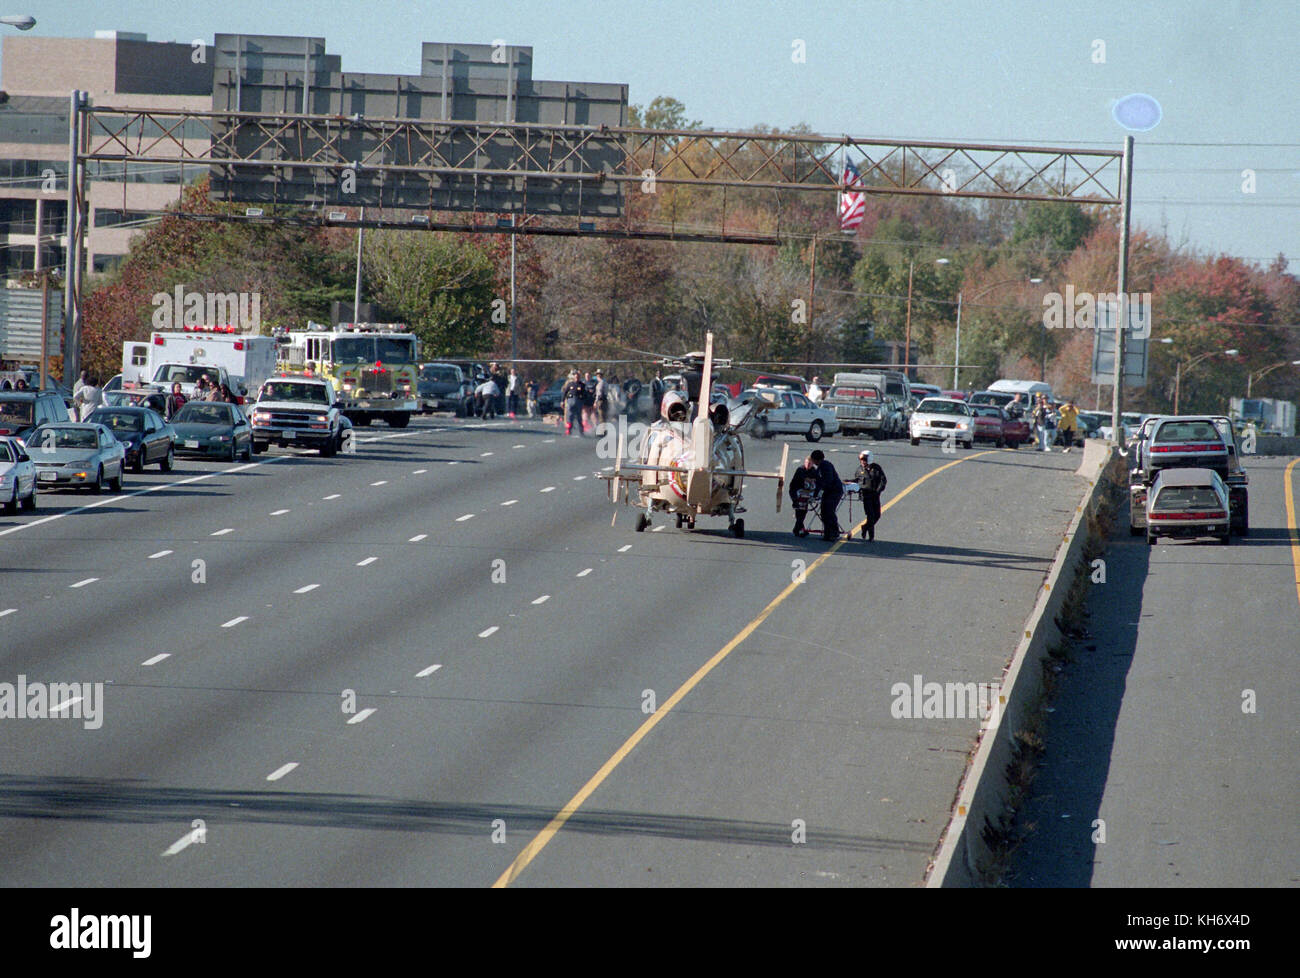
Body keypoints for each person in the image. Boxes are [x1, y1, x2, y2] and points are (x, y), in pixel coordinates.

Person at [853, 449, 888, 541]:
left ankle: (865, 527)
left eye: (864, 459)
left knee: (877, 515)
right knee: (870, 515)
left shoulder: (876, 468)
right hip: (865, 496)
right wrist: (848, 482)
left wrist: (878, 490)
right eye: (861, 460)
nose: (862, 462)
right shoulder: (859, 469)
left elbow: (883, 480)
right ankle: (871, 536)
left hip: (875, 495)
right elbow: (857, 480)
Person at [811, 449, 844, 540]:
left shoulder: (826, 466)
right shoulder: (820, 467)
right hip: (828, 491)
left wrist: (819, 492)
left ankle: (833, 532)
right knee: (824, 512)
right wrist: (816, 494)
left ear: (816, 459)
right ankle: (828, 532)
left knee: (829, 511)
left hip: (834, 491)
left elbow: (827, 481)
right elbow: (819, 482)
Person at [788, 454, 821, 538]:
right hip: (799, 492)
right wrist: (794, 498)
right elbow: (793, 485)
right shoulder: (800, 470)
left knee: (803, 511)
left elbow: (818, 483)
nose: (807, 465)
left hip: (809, 493)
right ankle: (799, 528)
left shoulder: (815, 472)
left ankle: (798, 528)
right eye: (806, 463)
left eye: (810, 463)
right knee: (800, 511)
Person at [561, 370, 585, 436]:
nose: (577, 378)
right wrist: (562, 401)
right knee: (569, 416)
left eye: (578, 377)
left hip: (578, 402)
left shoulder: (582, 385)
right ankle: (569, 430)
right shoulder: (570, 384)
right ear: (574, 377)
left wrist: (583, 403)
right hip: (570, 401)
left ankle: (581, 431)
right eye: (575, 376)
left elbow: (584, 395)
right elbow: (565, 392)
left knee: (579, 417)